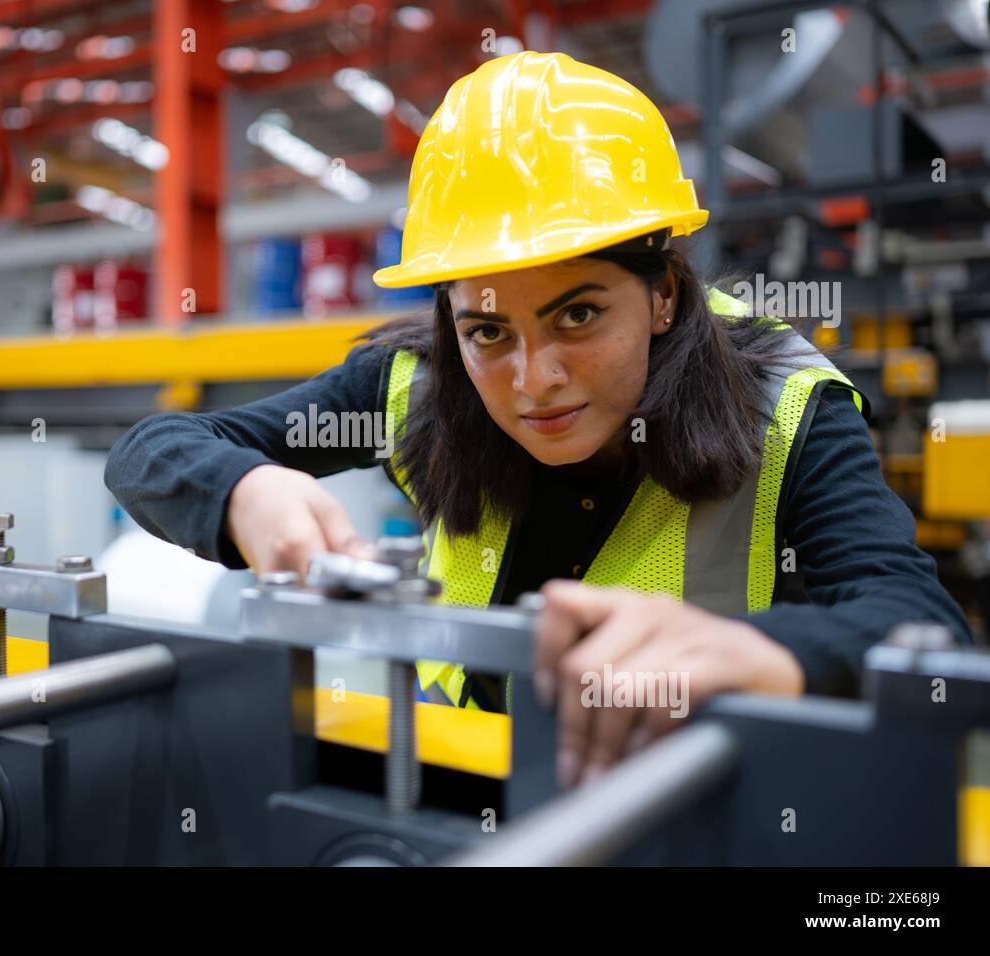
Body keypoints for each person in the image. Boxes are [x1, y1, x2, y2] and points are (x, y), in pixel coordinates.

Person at [106, 52, 972, 785]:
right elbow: (154, 449)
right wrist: (244, 490)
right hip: (458, 788)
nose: (532, 380)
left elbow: (919, 623)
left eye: (579, 316)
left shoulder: (786, 409)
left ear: (663, 293)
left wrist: (768, 653)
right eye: (487, 330)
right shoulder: (415, 383)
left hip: (680, 802)